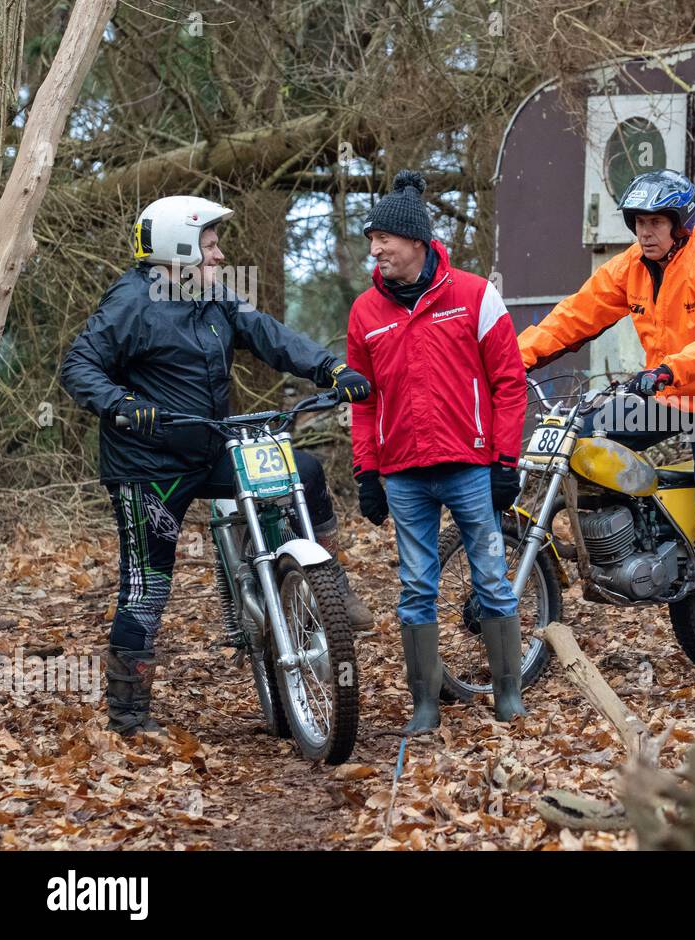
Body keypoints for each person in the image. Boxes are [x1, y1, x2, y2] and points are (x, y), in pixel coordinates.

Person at [61, 194, 374, 737]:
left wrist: (329, 368)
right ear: (178, 250)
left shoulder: (215, 298)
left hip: (211, 447)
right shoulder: (132, 301)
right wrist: (125, 406)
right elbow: (79, 366)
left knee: (306, 472)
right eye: (209, 246)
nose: (220, 255)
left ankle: (329, 584)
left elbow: (270, 335)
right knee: (147, 585)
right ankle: (129, 718)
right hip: (148, 466)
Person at [517, 169, 695, 668]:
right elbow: (574, 315)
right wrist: (513, 359)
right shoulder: (628, 267)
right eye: (638, 222)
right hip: (663, 393)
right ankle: (626, 537)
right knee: (583, 436)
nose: (645, 232)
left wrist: (670, 369)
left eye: (656, 222)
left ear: (681, 223)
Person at [346, 170, 529, 731]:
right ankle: (425, 704)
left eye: (385, 240)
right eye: (371, 239)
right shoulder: (364, 314)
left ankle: (507, 696)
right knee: (416, 585)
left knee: (493, 579)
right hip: (402, 474)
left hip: (471, 467)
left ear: (418, 243)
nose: (376, 250)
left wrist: (505, 460)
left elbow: (509, 382)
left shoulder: (475, 295)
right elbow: (362, 401)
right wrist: (366, 472)